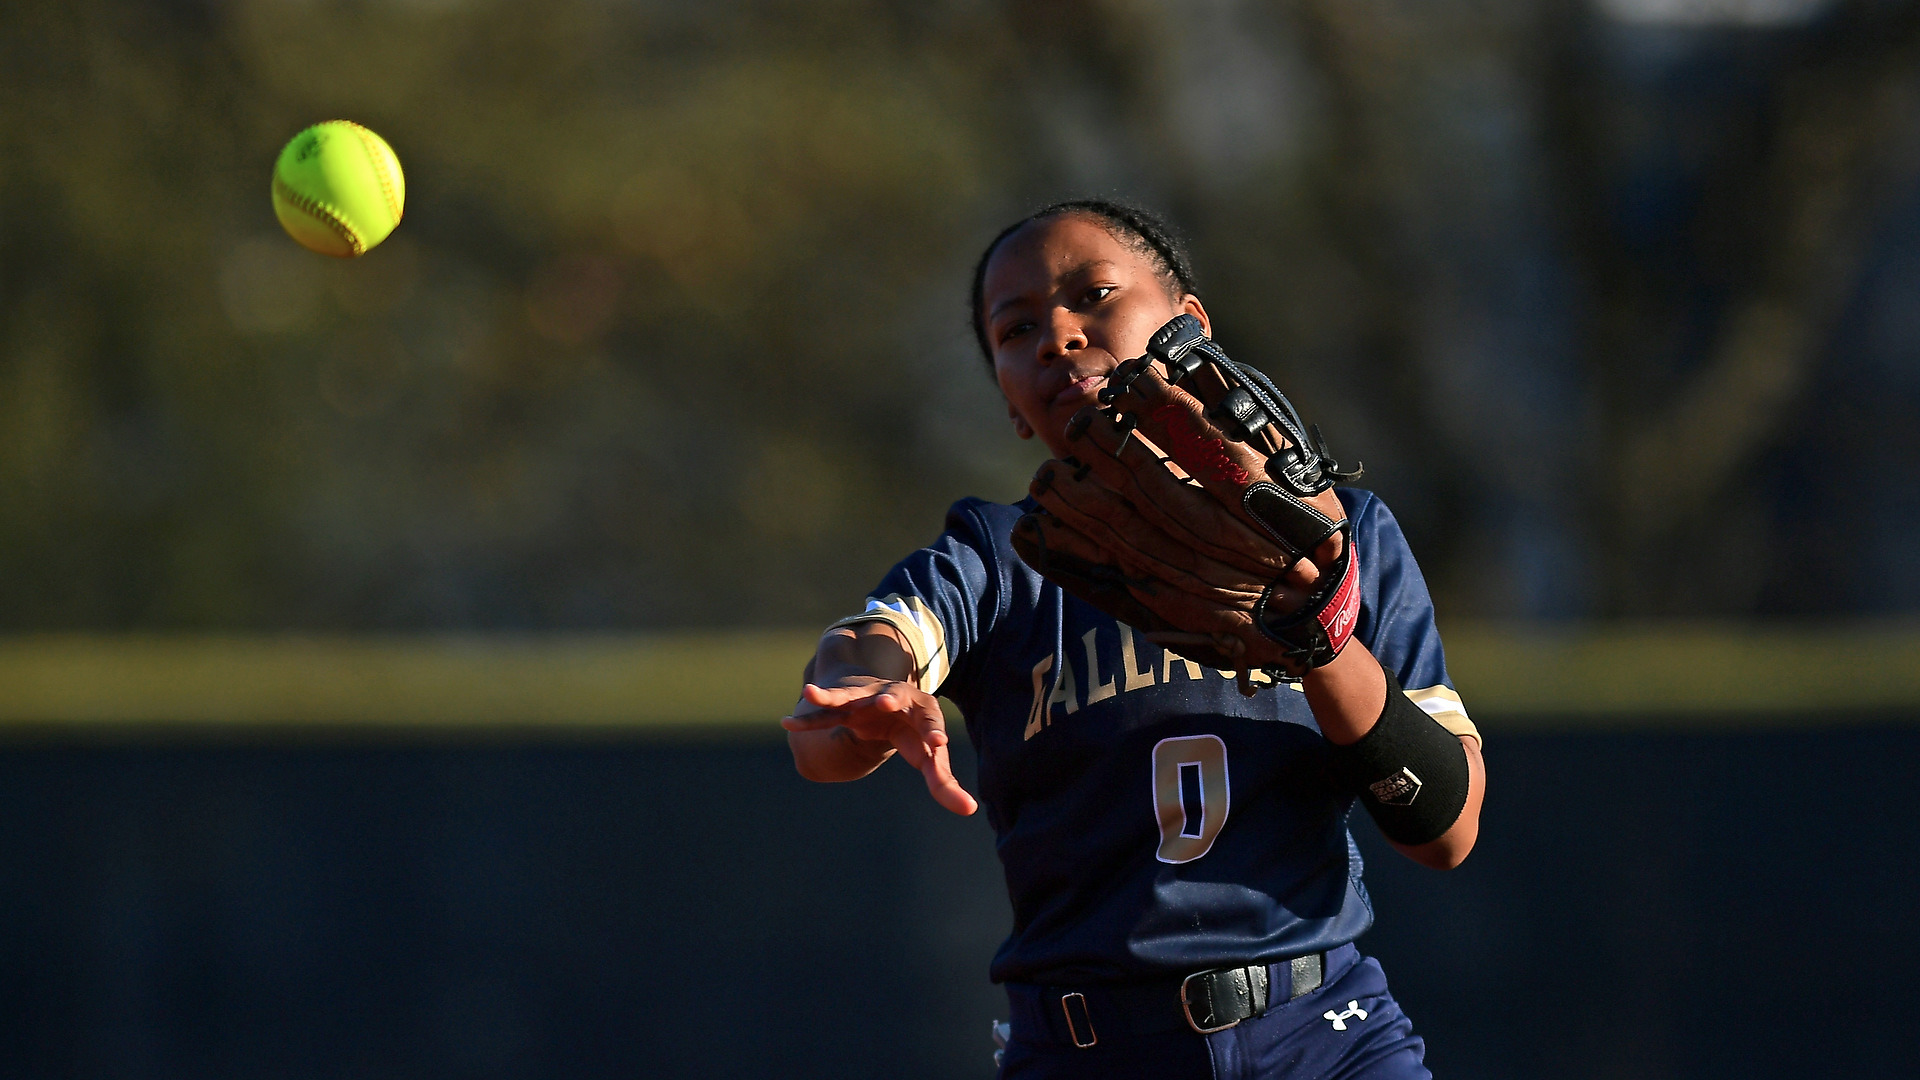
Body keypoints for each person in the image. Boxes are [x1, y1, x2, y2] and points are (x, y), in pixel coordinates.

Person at [782, 200, 1485, 1080]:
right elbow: (860, 669)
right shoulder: (1000, 559)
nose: (1059, 336)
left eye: (1095, 295)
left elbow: (1446, 829)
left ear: (1189, 329)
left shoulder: (1341, 538)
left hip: (1323, 1035)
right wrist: (865, 689)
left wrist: (1321, 636)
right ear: (1006, 399)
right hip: (1089, 1051)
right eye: (1016, 328)